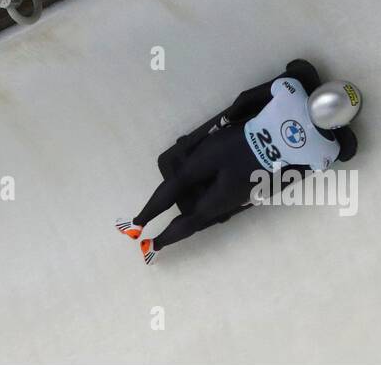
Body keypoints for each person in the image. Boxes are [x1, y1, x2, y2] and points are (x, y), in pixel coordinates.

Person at [116, 59, 361, 264]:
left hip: (228, 143)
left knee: (182, 178)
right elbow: (306, 169)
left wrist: (226, 121)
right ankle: (154, 245)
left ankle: (136, 223)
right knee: (199, 216)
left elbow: (245, 100)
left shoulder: (291, 89)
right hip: (247, 176)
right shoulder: (327, 149)